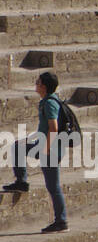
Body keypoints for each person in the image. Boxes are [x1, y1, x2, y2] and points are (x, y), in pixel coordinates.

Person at [3, 71, 69, 232]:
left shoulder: (49, 104)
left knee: (53, 187)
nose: (35, 84)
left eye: (37, 82)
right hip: (46, 146)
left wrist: (45, 150)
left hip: (50, 149)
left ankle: (61, 221)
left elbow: (53, 128)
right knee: (18, 146)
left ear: (44, 87)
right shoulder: (49, 101)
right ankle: (22, 182)